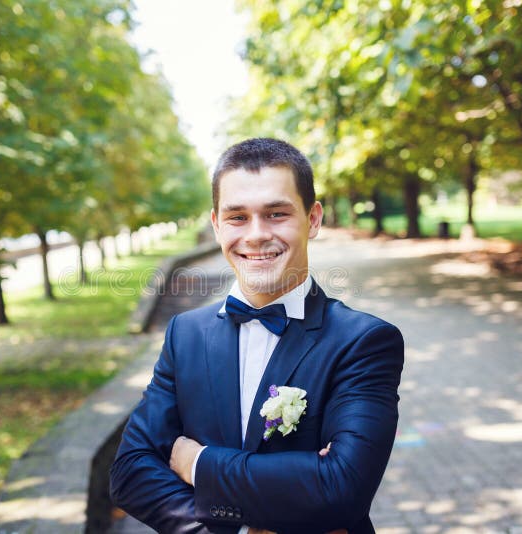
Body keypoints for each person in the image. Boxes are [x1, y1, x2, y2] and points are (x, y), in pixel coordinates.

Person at [110, 138, 404, 533]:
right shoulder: (185, 334)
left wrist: (197, 464)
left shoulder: (364, 341)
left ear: (313, 219)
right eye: (237, 217)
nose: (256, 234)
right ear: (216, 225)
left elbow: (341, 488)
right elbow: (130, 471)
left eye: (276, 214)